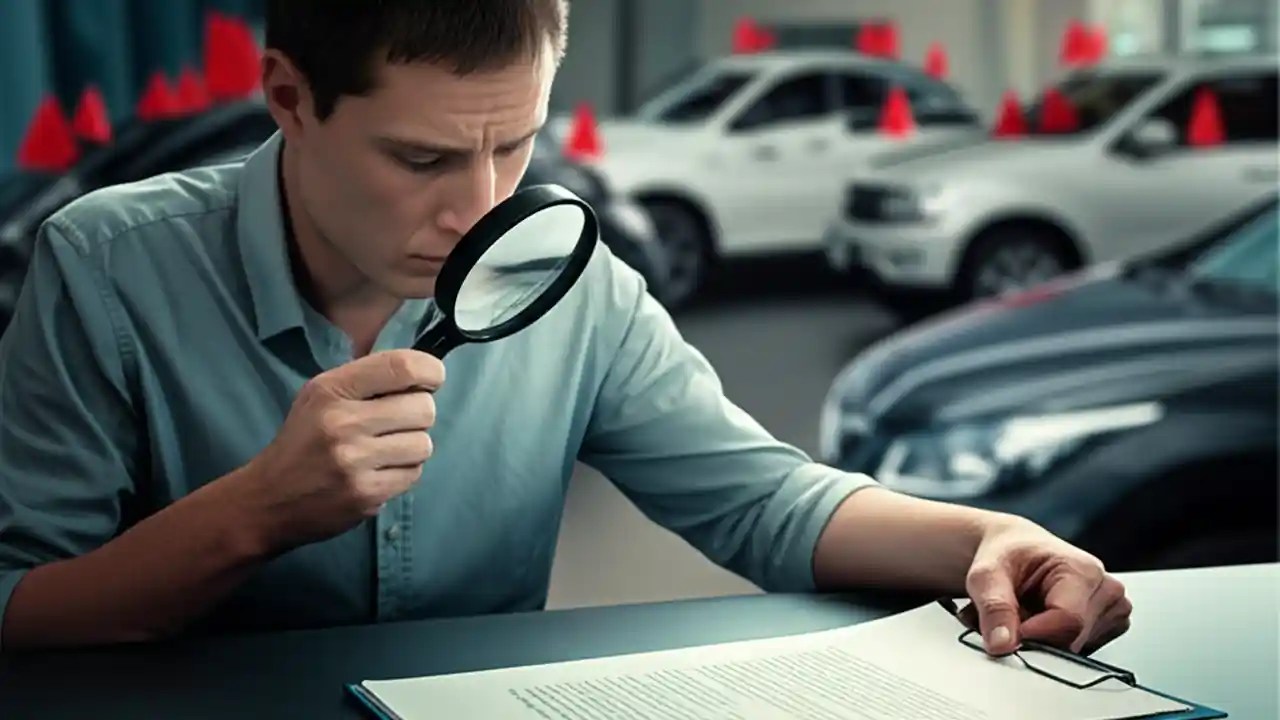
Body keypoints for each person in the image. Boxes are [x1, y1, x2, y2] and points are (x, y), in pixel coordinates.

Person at [0, 0, 1130, 655]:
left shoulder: (566, 281)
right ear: (289, 97)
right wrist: (255, 514)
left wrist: (987, 540)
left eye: (518, 141)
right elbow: (23, 616)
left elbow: (761, 499)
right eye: (422, 158)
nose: (482, 209)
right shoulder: (106, 266)